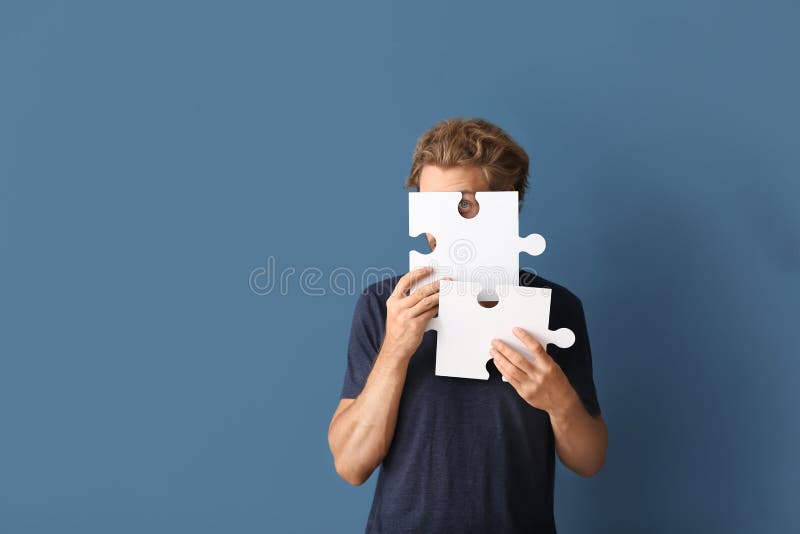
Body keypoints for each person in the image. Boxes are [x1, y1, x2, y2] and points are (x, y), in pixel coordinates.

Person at [328, 118, 608, 533]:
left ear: (506, 205)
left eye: (462, 204)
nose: (442, 226)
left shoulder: (557, 309)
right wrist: (396, 349)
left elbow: (588, 460)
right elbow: (351, 466)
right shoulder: (383, 307)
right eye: (430, 205)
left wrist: (559, 400)